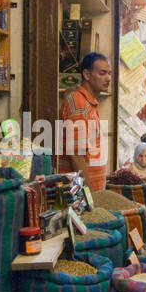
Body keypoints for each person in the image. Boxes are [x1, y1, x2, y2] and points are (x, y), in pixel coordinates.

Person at [57, 52, 112, 191]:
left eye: (109, 73)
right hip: (79, 194)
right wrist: (89, 194)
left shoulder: (89, 104)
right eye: (102, 73)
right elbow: (76, 154)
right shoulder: (78, 103)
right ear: (87, 75)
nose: (108, 78)